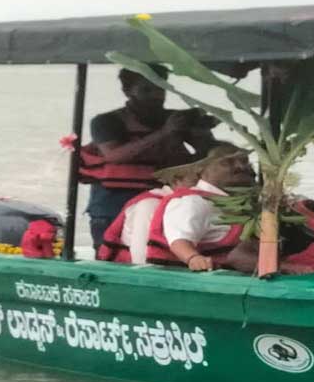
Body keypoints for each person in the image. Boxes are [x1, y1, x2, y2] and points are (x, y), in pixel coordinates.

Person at [81, 64, 218, 250]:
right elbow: (115, 155)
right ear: (127, 90)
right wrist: (165, 133)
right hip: (113, 203)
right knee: (111, 252)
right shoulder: (106, 121)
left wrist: (201, 132)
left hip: (165, 200)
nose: (156, 95)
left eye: (160, 88)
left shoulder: (177, 119)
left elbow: (208, 155)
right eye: (146, 89)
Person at [146, 143, 256, 271]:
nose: (240, 166)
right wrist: (193, 258)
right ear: (201, 169)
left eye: (244, 161)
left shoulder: (240, 202)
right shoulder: (193, 201)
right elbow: (179, 239)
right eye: (228, 162)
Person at [96, 167, 199, 264]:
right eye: (196, 180)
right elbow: (140, 255)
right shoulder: (151, 204)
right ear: (176, 180)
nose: (201, 186)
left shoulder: (184, 203)